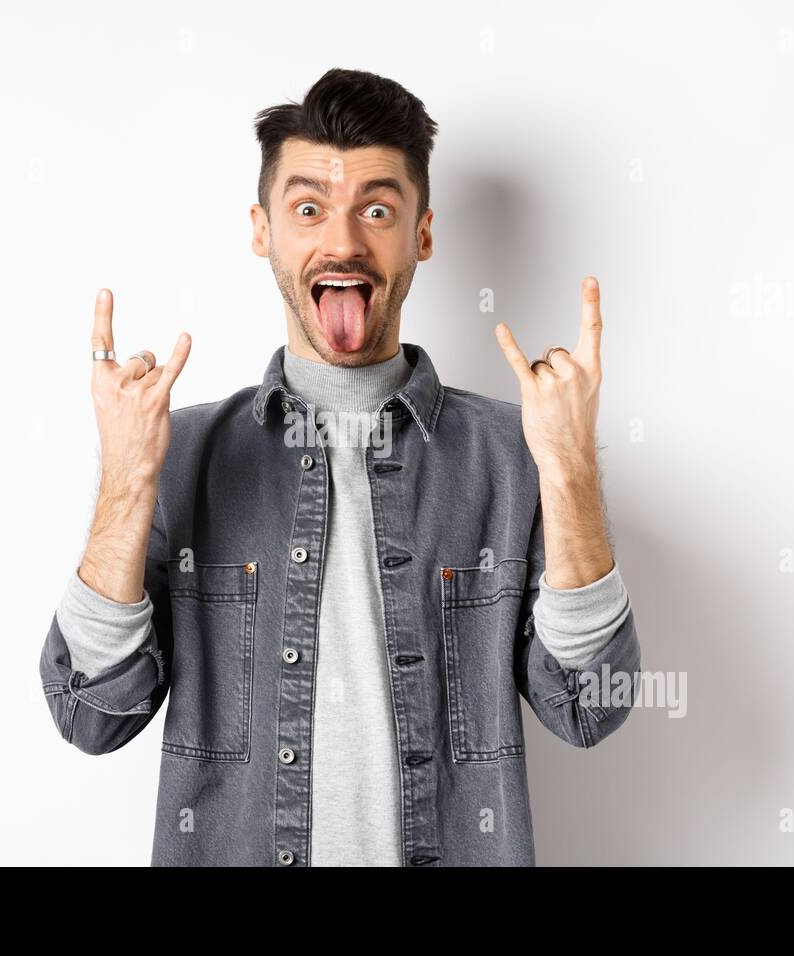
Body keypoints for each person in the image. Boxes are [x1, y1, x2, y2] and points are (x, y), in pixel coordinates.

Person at [38, 67, 641, 866]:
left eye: (378, 210)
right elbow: (89, 716)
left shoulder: (514, 453)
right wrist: (126, 483)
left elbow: (591, 708)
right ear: (263, 231)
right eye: (309, 209)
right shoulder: (176, 454)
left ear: (423, 234)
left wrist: (567, 472)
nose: (344, 241)